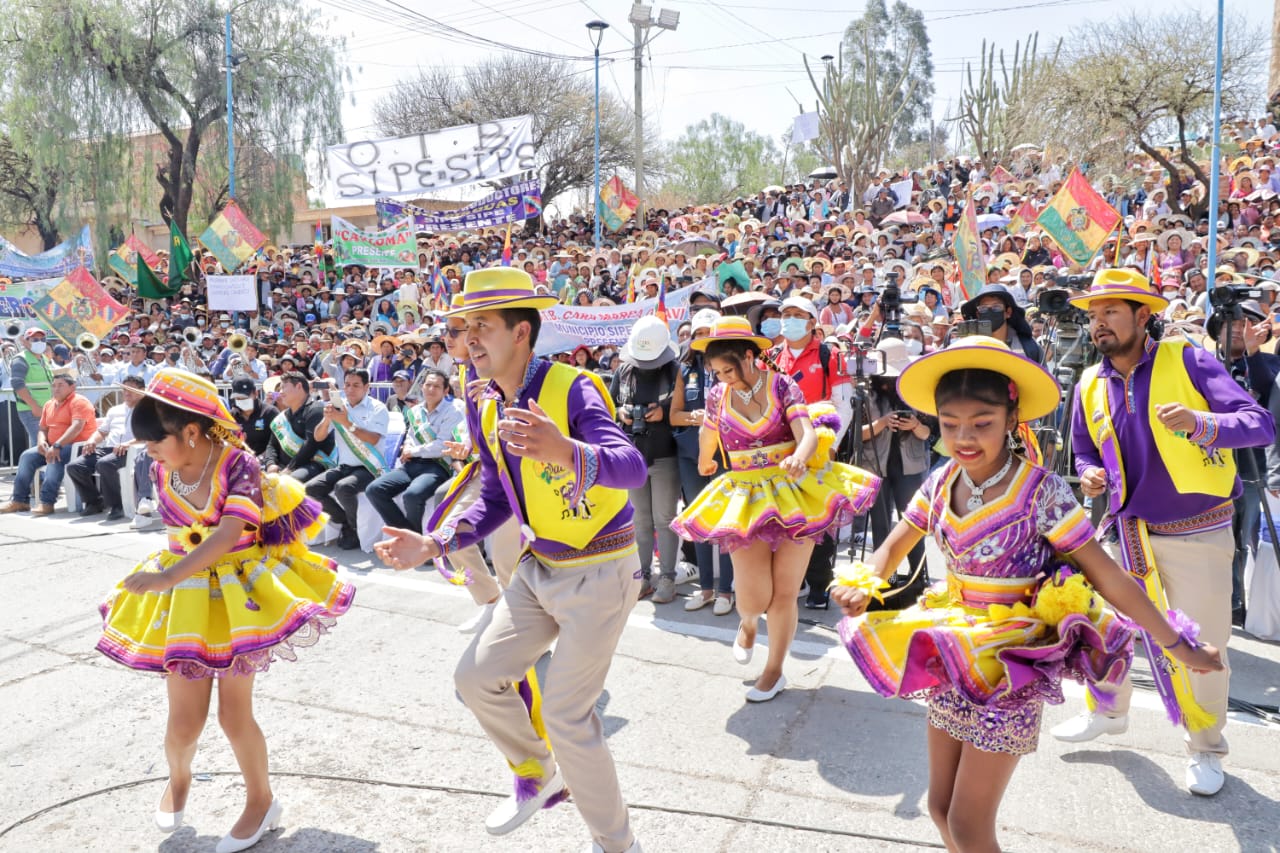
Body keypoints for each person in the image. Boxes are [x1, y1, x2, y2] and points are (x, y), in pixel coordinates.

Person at [833, 335, 1223, 853]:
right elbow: (893, 545)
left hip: (1013, 664)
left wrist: (1175, 643)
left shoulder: (1042, 491)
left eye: (982, 423)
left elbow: (1107, 576)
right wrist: (864, 583)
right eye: (950, 425)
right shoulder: (939, 480)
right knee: (939, 809)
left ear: (1012, 417)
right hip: (952, 651)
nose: (964, 438)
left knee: (971, 826)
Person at [374, 268, 648, 853]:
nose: (468, 339)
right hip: (537, 568)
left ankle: (617, 845)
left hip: (601, 572)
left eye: (483, 327)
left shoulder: (575, 388)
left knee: (571, 721)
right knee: (475, 679)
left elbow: (633, 468)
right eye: (464, 327)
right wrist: (435, 543)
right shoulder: (485, 404)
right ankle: (536, 771)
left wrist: (566, 449)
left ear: (521, 332)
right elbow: (497, 492)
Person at [95, 367, 355, 853]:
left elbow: (231, 531)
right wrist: (170, 576)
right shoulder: (160, 468)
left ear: (190, 431)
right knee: (183, 722)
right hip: (186, 600)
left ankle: (262, 801)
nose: (150, 453)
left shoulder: (239, 464)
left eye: (156, 443)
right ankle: (179, 778)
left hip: (240, 598)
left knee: (235, 716)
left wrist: (167, 576)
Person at [1052, 269, 1273, 797]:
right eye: (1093, 314)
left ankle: (1206, 747)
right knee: (1105, 630)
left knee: (1203, 644)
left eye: (1110, 312)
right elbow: (1082, 448)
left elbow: (1258, 422)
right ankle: (1108, 710)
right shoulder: (1088, 382)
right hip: (1124, 531)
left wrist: (1203, 424)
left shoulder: (1189, 357)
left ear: (1142, 315)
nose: (1099, 324)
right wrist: (1087, 472)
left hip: (1198, 532)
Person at [671, 316, 880, 702]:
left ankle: (774, 671)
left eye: (728, 369)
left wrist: (801, 457)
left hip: (794, 492)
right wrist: (705, 461)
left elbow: (807, 433)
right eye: (716, 371)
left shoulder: (782, 384)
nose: (722, 377)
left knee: (784, 592)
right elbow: (709, 432)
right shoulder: (718, 395)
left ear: (750, 357)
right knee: (751, 595)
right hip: (744, 494)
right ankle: (748, 622)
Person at [770, 295, 855, 609]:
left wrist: (830, 445)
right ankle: (794, 582)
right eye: (785, 314)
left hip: (818, 449)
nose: (789, 320)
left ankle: (819, 585)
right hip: (780, 449)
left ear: (810, 322)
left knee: (818, 519)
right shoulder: (772, 355)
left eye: (796, 314)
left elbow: (843, 405)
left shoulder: (827, 354)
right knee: (783, 518)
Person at [610, 315, 682, 603]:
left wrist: (665, 413)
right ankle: (642, 576)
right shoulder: (624, 371)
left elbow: (688, 407)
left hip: (666, 455)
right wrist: (622, 413)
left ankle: (667, 578)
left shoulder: (676, 370)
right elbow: (612, 402)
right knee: (640, 520)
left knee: (664, 519)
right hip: (633, 456)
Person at [670, 309, 735, 615]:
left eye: (710, 332)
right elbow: (674, 416)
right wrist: (696, 418)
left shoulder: (731, 370)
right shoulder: (685, 370)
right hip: (691, 454)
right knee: (700, 520)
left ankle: (725, 591)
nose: (704, 339)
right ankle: (706, 588)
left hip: (726, 454)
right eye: (699, 333)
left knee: (724, 521)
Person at [366, 367, 462, 534]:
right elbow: (410, 435)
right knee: (374, 490)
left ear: (446, 390)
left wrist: (413, 451)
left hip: (437, 466)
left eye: (437, 386)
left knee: (412, 495)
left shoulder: (453, 410)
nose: (431, 389)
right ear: (422, 386)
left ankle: (414, 538)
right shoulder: (415, 411)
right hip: (412, 463)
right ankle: (408, 534)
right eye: (428, 385)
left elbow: (442, 446)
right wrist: (408, 447)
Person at [304, 368, 389, 550]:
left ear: (366, 387)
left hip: (369, 467)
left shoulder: (378, 408)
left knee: (344, 488)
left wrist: (346, 423)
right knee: (310, 489)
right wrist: (327, 420)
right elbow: (318, 437)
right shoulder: (338, 406)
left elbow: (373, 439)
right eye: (348, 385)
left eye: (356, 385)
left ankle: (353, 528)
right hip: (344, 465)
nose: (350, 389)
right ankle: (345, 522)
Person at [1, 372, 97, 516]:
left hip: (77, 446)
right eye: (54, 385)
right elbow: (43, 429)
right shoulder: (49, 403)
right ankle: (20, 500)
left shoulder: (79, 401)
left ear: (72, 387)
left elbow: (77, 427)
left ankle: (47, 502)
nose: (56, 389)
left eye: (60, 385)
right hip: (53, 445)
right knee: (27, 456)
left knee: (54, 457)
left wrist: (57, 445)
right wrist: (41, 442)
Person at [65, 375, 150, 521]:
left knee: (105, 464)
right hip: (109, 448)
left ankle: (117, 505)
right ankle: (94, 501)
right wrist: (92, 440)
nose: (126, 393)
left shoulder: (148, 411)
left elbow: (149, 435)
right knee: (75, 466)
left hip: (131, 450)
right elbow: (102, 431)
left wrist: (128, 444)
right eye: (124, 389)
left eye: (131, 389)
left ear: (142, 391)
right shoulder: (114, 410)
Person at [261, 372, 336, 483]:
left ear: (299, 386)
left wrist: (289, 469)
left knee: (288, 482)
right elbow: (272, 444)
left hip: (312, 464)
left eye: (283, 387)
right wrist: (270, 464)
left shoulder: (315, 409)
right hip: (284, 466)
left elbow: (311, 445)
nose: (280, 392)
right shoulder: (283, 416)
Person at [10, 327, 53, 444]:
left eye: (42, 339)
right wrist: (34, 406)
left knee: (45, 444)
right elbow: (17, 384)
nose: (40, 342)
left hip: (45, 409)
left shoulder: (43, 358)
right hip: (31, 410)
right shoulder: (20, 359)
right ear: (25, 341)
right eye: (35, 339)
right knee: (41, 444)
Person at [229, 378, 279, 457]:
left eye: (245, 397)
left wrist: (260, 458)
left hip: (266, 462)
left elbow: (278, 443)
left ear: (256, 393)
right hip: (239, 461)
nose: (241, 401)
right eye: (238, 398)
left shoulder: (270, 412)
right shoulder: (231, 416)